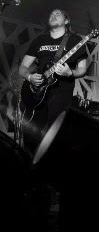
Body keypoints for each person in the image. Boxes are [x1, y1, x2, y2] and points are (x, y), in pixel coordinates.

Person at [16, 9, 88, 146]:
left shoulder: (75, 40)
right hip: (36, 94)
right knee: (30, 135)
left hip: (61, 95)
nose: (53, 15)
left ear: (66, 21)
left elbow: (82, 69)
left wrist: (70, 73)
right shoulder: (40, 40)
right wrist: (30, 77)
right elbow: (22, 68)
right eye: (51, 14)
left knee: (55, 137)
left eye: (57, 14)